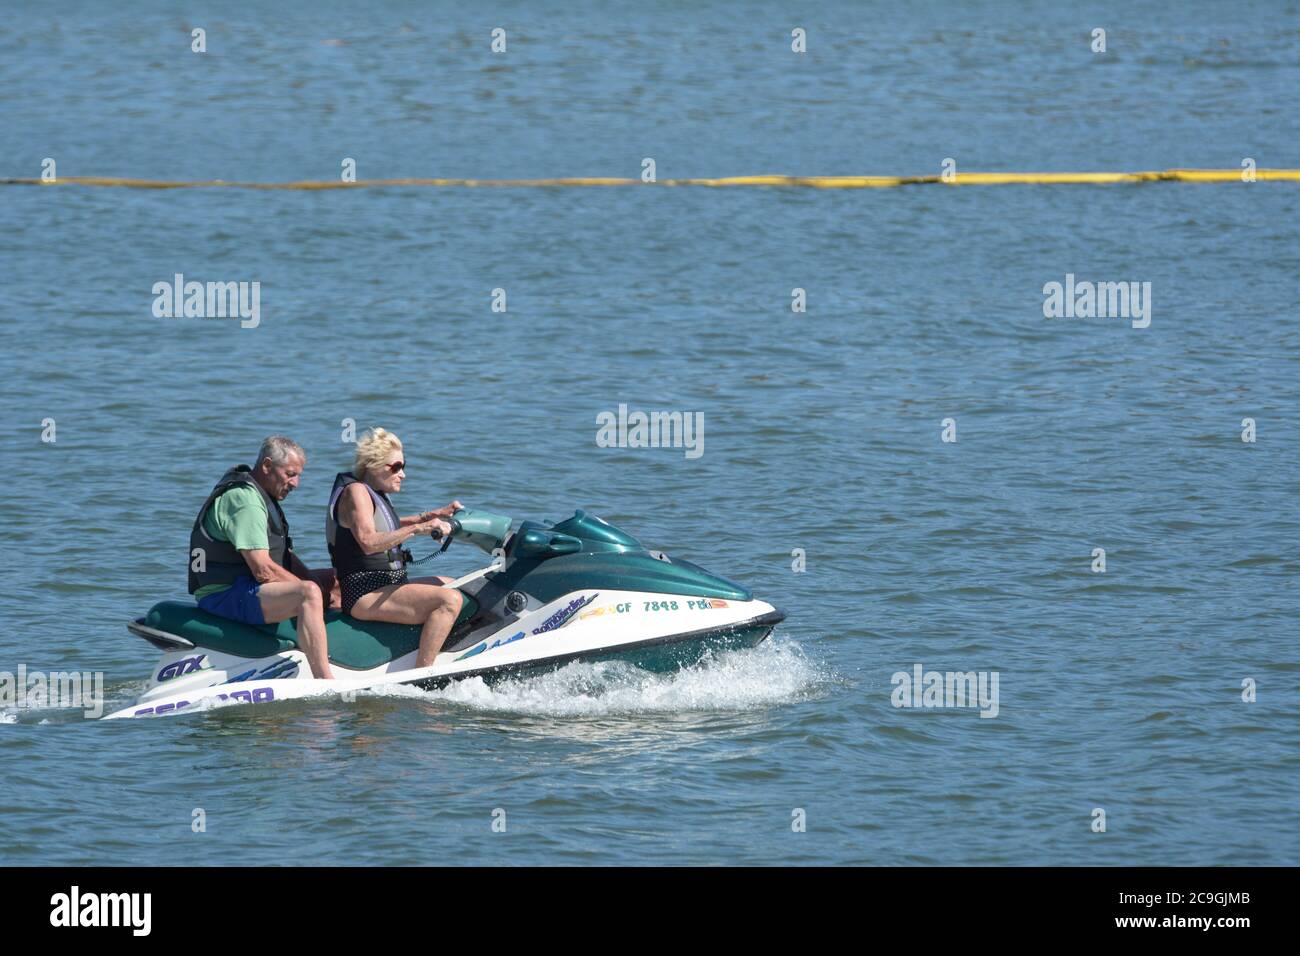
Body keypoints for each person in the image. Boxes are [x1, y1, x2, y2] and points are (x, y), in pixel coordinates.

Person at [189, 436, 338, 679]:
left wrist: (315, 580)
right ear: (267, 465)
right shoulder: (244, 500)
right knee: (308, 593)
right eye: (290, 474)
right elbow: (263, 570)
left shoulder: (261, 494)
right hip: (223, 593)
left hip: (247, 586)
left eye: (299, 475)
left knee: (332, 581)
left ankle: (340, 654)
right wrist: (312, 589)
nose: (296, 483)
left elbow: (281, 554)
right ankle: (325, 680)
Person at [326, 427, 464, 668]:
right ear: (373, 464)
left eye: (404, 466)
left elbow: (386, 525)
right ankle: (423, 673)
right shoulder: (356, 492)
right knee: (448, 600)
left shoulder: (373, 491)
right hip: (365, 592)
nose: (403, 474)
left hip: (388, 583)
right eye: (396, 467)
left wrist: (431, 515)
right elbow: (368, 542)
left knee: (455, 584)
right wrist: (416, 530)